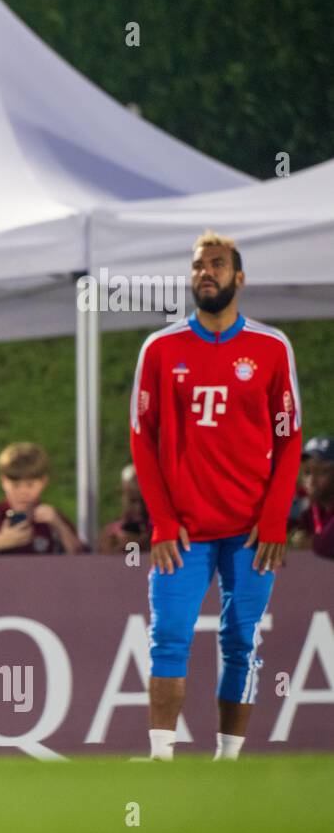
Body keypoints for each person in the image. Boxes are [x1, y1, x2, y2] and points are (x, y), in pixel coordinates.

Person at [130, 231, 301, 761]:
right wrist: (160, 520)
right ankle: (161, 758)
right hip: (183, 531)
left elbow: (288, 434)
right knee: (170, 636)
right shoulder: (161, 349)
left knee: (242, 643)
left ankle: (228, 762)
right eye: (199, 266)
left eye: (218, 265)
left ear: (239, 278)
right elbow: (142, 436)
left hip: (251, 530)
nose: (207, 273)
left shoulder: (271, 349)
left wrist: (275, 519)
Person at [0, 443, 86, 557]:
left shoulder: (52, 519)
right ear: (3, 481)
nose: (23, 492)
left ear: (43, 482)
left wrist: (60, 526)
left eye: (30, 485)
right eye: (16, 485)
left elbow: (80, 555)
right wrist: (2, 541)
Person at [289, 436, 333, 559]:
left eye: (322, 472)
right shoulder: (308, 500)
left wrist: (311, 543)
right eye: (307, 472)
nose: (311, 481)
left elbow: (326, 546)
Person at [98, 464, 152, 554]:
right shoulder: (112, 532)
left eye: (143, 501)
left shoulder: (159, 528)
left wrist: (141, 542)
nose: (139, 508)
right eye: (133, 501)